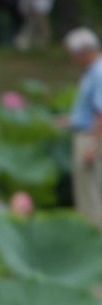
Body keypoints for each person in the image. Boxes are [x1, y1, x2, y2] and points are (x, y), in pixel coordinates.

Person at [66, 28, 102, 228]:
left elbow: (101, 112)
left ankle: (95, 241)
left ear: (84, 51)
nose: (73, 60)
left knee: (91, 194)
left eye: (73, 55)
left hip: (91, 137)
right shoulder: (92, 71)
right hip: (86, 132)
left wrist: (91, 145)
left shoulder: (99, 72)